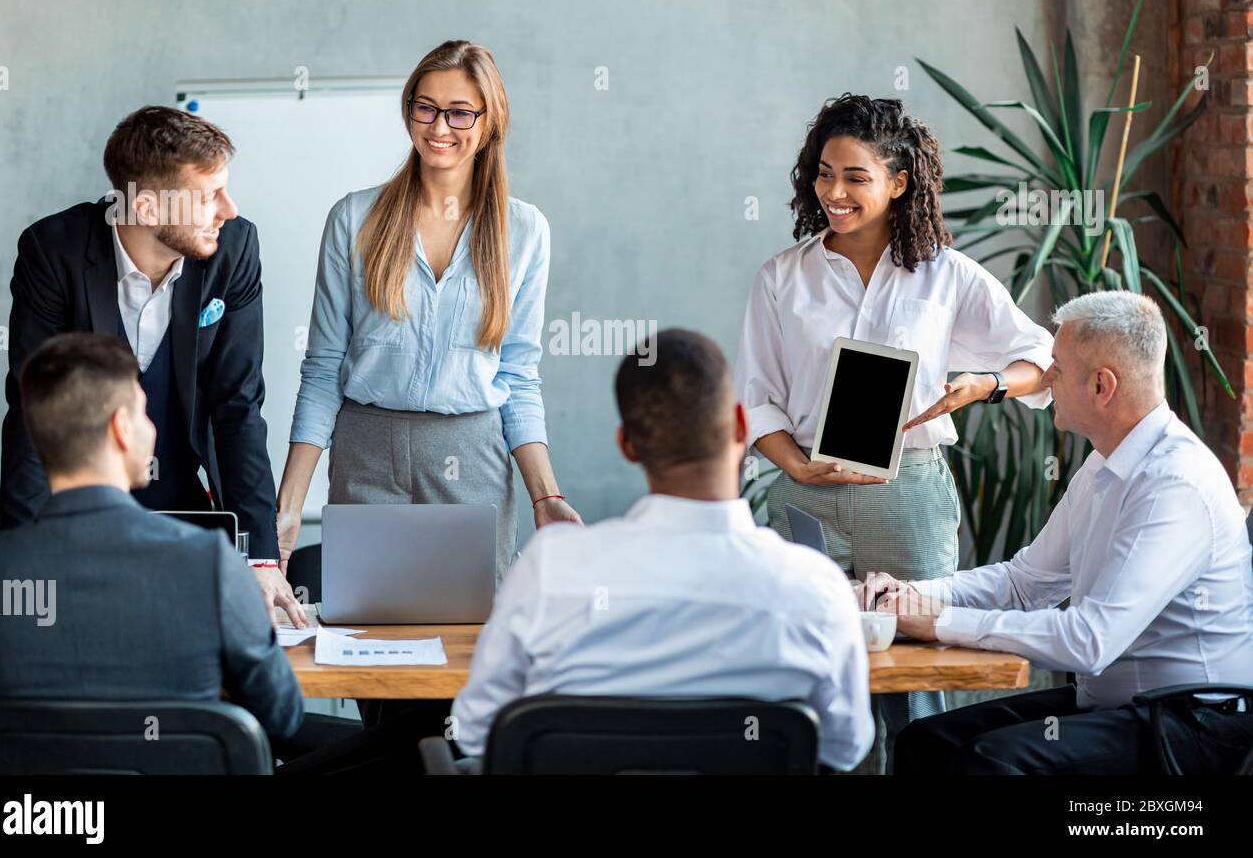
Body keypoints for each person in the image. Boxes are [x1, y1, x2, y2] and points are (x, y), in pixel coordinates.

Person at [734, 93, 1054, 770]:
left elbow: (1043, 358)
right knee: (815, 674)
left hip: (908, 499)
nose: (834, 192)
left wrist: (983, 386)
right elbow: (755, 397)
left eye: (856, 177)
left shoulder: (945, 276)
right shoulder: (781, 278)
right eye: (824, 173)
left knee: (916, 683)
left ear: (900, 181)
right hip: (805, 496)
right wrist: (794, 465)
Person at [450, 328, 874, 772]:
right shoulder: (815, 588)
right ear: (742, 426)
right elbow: (844, 747)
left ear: (627, 444)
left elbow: (476, 730)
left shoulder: (551, 568)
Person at [866, 292, 1253, 774]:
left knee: (987, 764)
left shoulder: (1174, 484)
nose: (1046, 381)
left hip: (1193, 727)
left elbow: (1090, 640)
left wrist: (940, 621)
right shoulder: (1103, 463)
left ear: (1101, 386)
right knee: (926, 741)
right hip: (1120, 709)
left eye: (1058, 369)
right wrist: (912, 597)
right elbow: (1023, 585)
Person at [277, 39, 579, 581]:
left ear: (489, 121)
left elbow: (517, 374)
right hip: (366, 451)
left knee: (472, 642)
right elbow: (322, 369)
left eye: (460, 111)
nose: (439, 127)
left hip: (473, 456)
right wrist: (289, 504)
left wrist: (545, 495)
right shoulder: (354, 218)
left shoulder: (525, 230)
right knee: (362, 628)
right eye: (425, 107)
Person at [0, 106, 306, 627]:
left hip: (190, 511)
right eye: (209, 196)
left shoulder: (234, 249)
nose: (228, 210)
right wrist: (23, 555)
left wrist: (260, 556)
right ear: (144, 205)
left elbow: (238, 406)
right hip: (80, 514)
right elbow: (34, 411)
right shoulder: (54, 252)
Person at [0, 333, 306, 764]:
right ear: (121, 427)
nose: (152, 428)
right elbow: (282, 712)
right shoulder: (212, 565)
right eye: (143, 413)